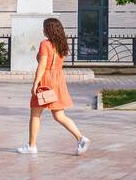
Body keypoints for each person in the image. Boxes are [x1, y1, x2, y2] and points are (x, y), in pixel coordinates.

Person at [17, 16, 89, 156]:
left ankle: (31, 146)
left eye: (44, 27)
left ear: (48, 29)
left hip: (46, 81)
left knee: (35, 114)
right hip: (58, 81)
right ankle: (81, 138)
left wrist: (36, 83)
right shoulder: (62, 45)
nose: (43, 30)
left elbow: (43, 65)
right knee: (59, 115)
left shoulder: (45, 44)